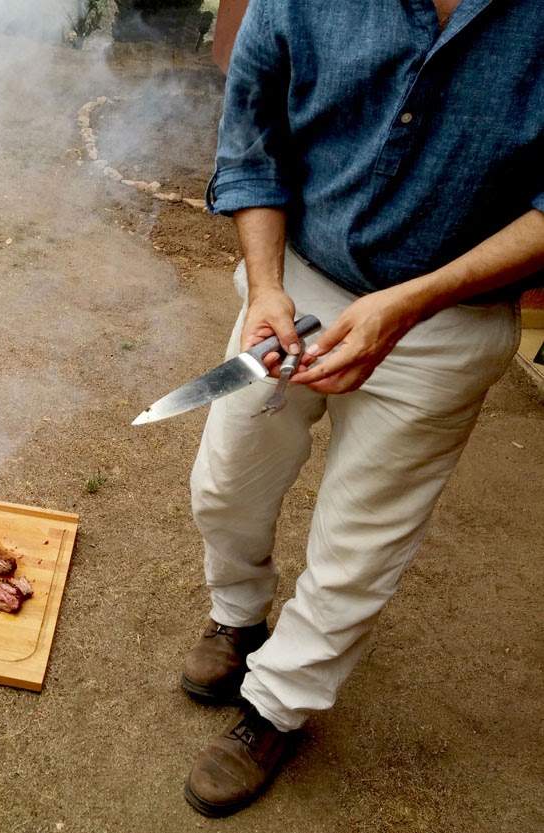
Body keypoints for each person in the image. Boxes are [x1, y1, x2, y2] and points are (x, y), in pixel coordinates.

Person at [178, 0, 544, 818]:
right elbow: (253, 137)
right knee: (225, 480)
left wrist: (409, 302)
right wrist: (266, 284)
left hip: (450, 317)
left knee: (359, 540)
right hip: (293, 282)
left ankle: (276, 706)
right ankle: (237, 616)